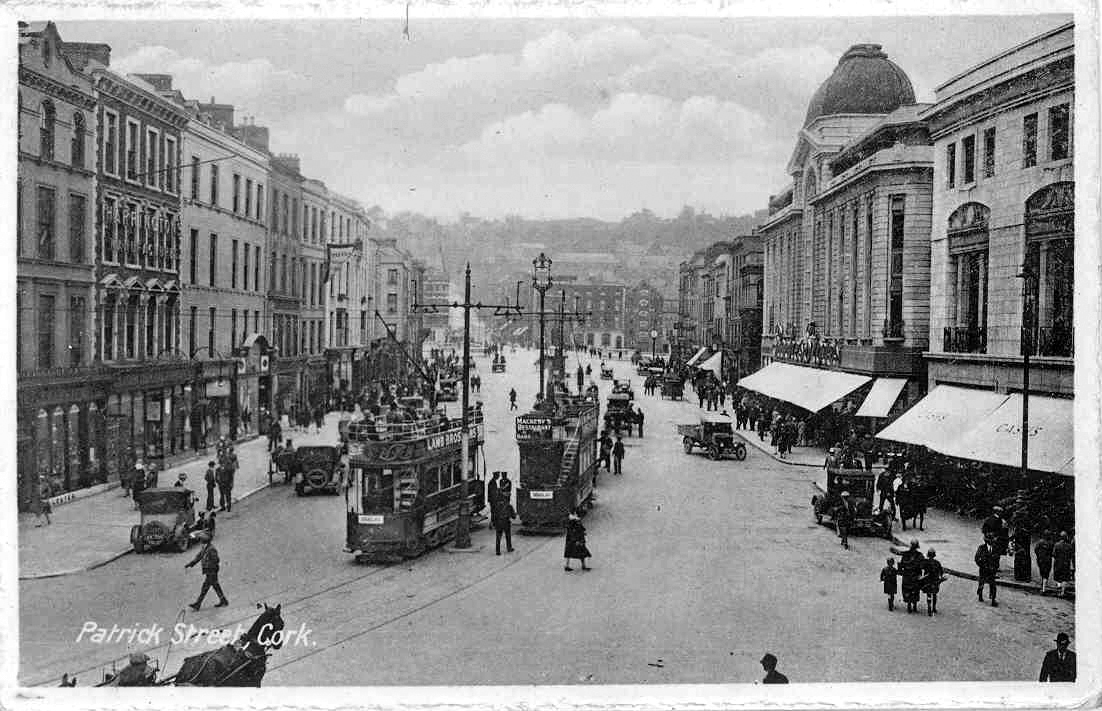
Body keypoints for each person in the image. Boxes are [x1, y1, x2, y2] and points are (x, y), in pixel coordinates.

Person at [186, 531, 228, 610]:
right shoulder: (204, 548)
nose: (201, 542)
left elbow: (216, 560)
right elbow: (199, 557)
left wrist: (211, 567)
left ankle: (198, 604)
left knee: (205, 587)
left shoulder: (211, 549)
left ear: (204, 541)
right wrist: (191, 564)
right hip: (209, 571)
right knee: (215, 586)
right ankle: (223, 600)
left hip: (212, 571)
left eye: (201, 541)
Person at [894, 539, 924, 613]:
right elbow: (921, 565)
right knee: (914, 590)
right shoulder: (919, 555)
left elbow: (901, 564)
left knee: (908, 589)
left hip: (908, 574)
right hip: (913, 575)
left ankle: (910, 605)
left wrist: (901, 571)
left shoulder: (907, 554)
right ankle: (913, 606)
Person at [974, 537, 1001, 607]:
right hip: (983, 569)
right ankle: (980, 595)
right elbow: (976, 558)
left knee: (993, 585)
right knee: (981, 583)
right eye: (990, 541)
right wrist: (981, 565)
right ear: (987, 541)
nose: (992, 542)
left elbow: (997, 559)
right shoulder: (981, 548)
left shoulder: (996, 548)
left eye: (993, 541)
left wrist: (995, 568)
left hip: (992, 570)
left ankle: (993, 600)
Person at [921, 549, 945, 616]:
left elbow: (921, 568)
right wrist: (941, 577)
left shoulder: (925, 562)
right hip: (935, 581)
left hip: (928, 580)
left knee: (929, 594)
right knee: (934, 594)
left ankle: (929, 606)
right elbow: (941, 571)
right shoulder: (937, 563)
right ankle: (933, 608)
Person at [1052, 531, 1074, 597]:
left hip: (1058, 563)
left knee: (1058, 576)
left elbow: (1053, 554)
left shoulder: (1056, 545)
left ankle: (1058, 590)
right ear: (1066, 537)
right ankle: (1062, 592)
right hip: (1066, 564)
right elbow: (1071, 555)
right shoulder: (1069, 546)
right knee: (1064, 578)